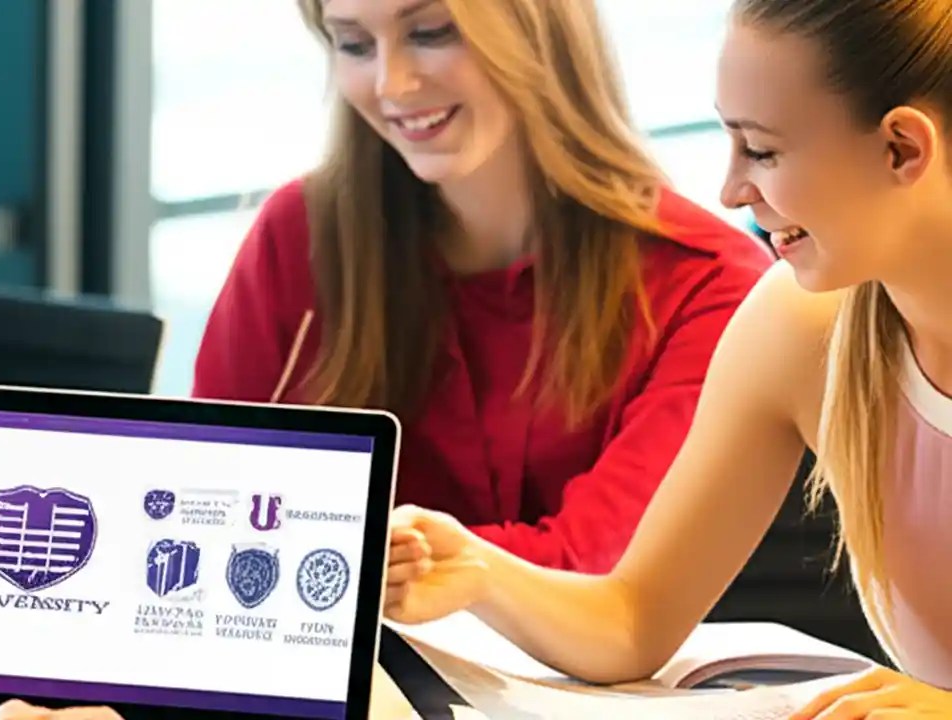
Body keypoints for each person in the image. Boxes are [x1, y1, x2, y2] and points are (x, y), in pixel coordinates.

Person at [385, 1, 952, 717]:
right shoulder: (799, 325)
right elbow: (632, 621)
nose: (731, 190)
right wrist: (479, 572)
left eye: (764, 151)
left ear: (901, 148)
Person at [192, 0, 771, 573]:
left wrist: (341, 561)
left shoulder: (708, 283)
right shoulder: (300, 238)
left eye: (432, 32)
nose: (391, 84)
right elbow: (199, 511)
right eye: (354, 44)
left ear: (540, 28)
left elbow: (598, 572)